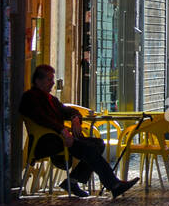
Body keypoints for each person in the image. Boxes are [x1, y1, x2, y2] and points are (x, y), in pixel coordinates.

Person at [19, 64, 139, 198]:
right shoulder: (29, 98)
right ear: (38, 81)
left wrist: (75, 118)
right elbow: (41, 118)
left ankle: (72, 181)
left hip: (61, 139)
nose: (52, 83)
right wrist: (62, 131)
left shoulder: (51, 99)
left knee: (98, 143)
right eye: (49, 80)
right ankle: (113, 184)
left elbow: (68, 111)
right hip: (46, 142)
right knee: (89, 149)